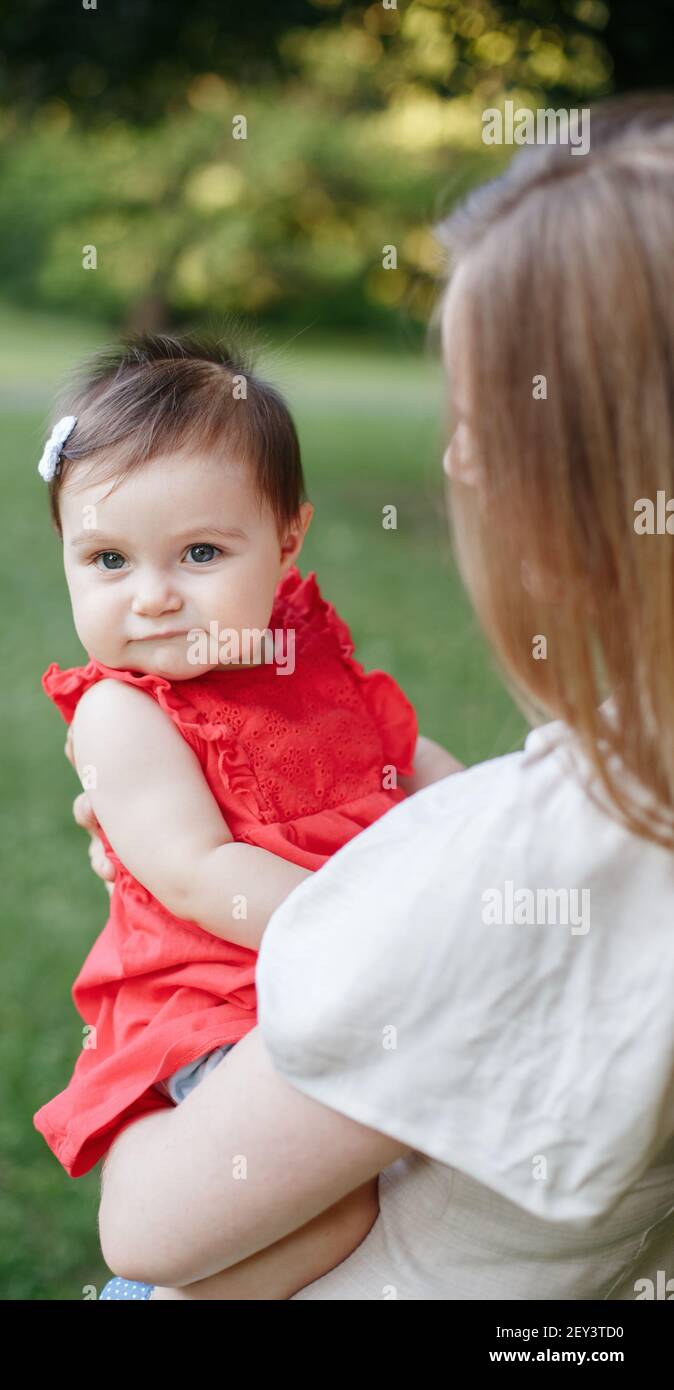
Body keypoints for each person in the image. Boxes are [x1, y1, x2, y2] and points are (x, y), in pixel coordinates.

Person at [81, 94, 674, 1300]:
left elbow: (144, 1232)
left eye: (474, 428)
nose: (455, 464)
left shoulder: (539, 864)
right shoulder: (577, 814)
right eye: (107, 559)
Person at [30, 333, 461, 1299]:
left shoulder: (303, 649)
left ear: (287, 541)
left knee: (342, 1196)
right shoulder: (122, 711)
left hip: (323, 971)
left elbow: (409, 758)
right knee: (328, 1206)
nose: (153, 599)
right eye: (106, 559)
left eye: (200, 553)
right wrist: (374, 927)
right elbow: (199, 873)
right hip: (219, 996)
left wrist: (491, 826)